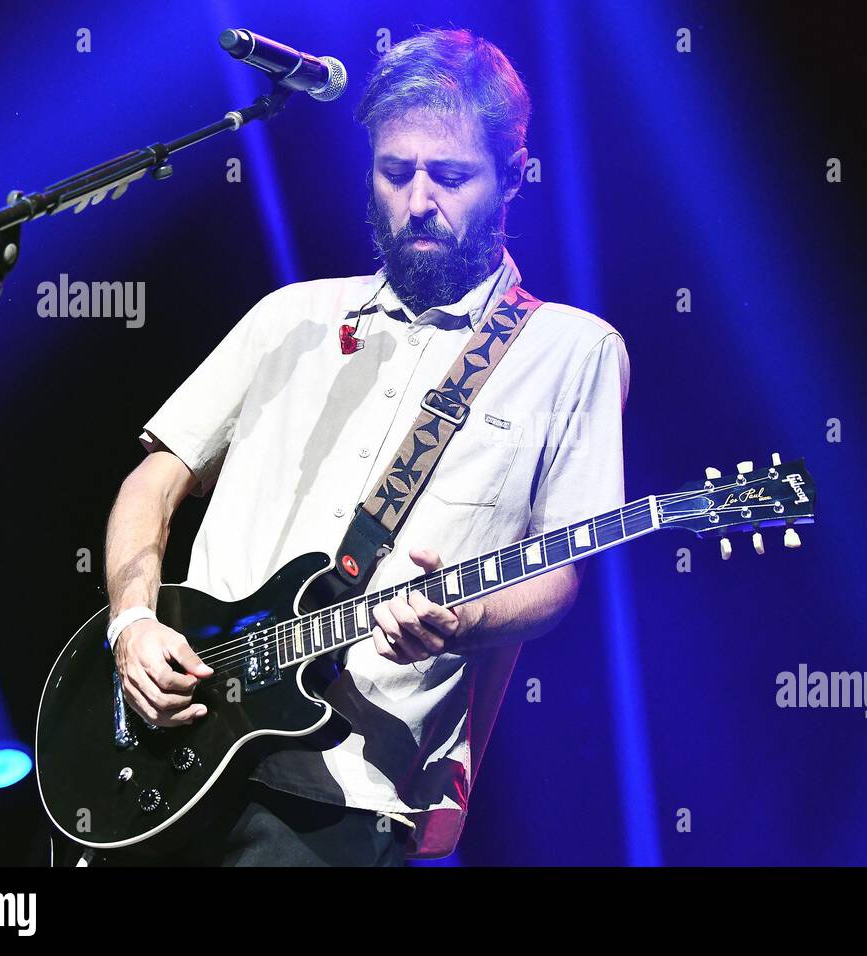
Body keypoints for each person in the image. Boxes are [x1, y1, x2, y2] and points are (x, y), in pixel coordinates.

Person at [104, 27, 629, 866]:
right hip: (163, 755)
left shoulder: (571, 351)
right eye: (395, 172)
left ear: (515, 177)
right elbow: (155, 479)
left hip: (345, 791)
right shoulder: (292, 316)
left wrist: (468, 617)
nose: (418, 199)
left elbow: (563, 575)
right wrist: (131, 624)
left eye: (451, 176)